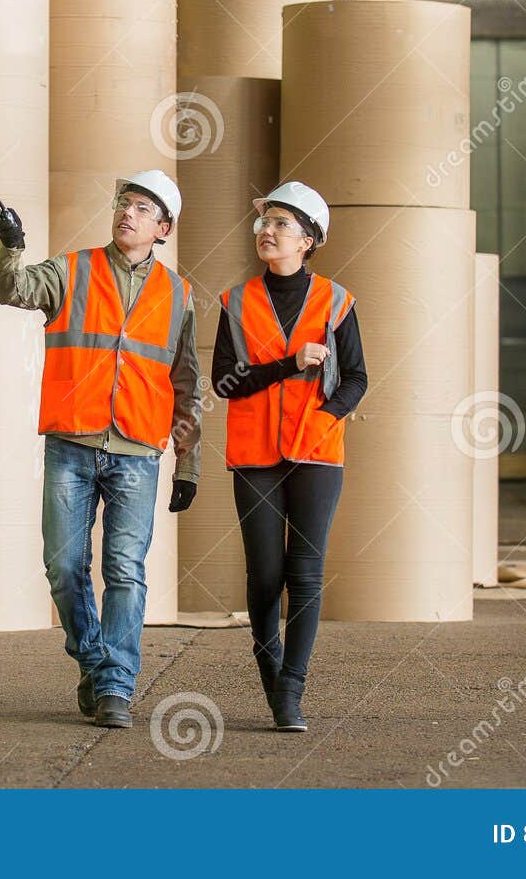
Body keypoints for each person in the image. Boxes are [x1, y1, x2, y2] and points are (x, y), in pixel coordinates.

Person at [0, 171, 201, 729]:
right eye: (123, 204)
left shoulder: (178, 293)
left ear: (163, 228)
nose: (127, 213)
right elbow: (12, 290)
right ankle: (93, 658)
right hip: (72, 445)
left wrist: (189, 462)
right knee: (63, 567)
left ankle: (115, 686)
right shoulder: (72, 270)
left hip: (137, 451)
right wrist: (11, 247)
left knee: (126, 572)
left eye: (141, 208)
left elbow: (187, 382)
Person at [210, 182, 368, 732]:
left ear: (308, 241)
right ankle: (269, 667)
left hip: (317, 454)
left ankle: (292, 690)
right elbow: (225, 384)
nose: (267, 231)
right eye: (265, 222)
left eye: (280, 224)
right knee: (264, 574)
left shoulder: (337, 301)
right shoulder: (234, 302)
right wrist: (287, 364)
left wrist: (326, 417)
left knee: (305, 572)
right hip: (255, 453)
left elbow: (357, 379)